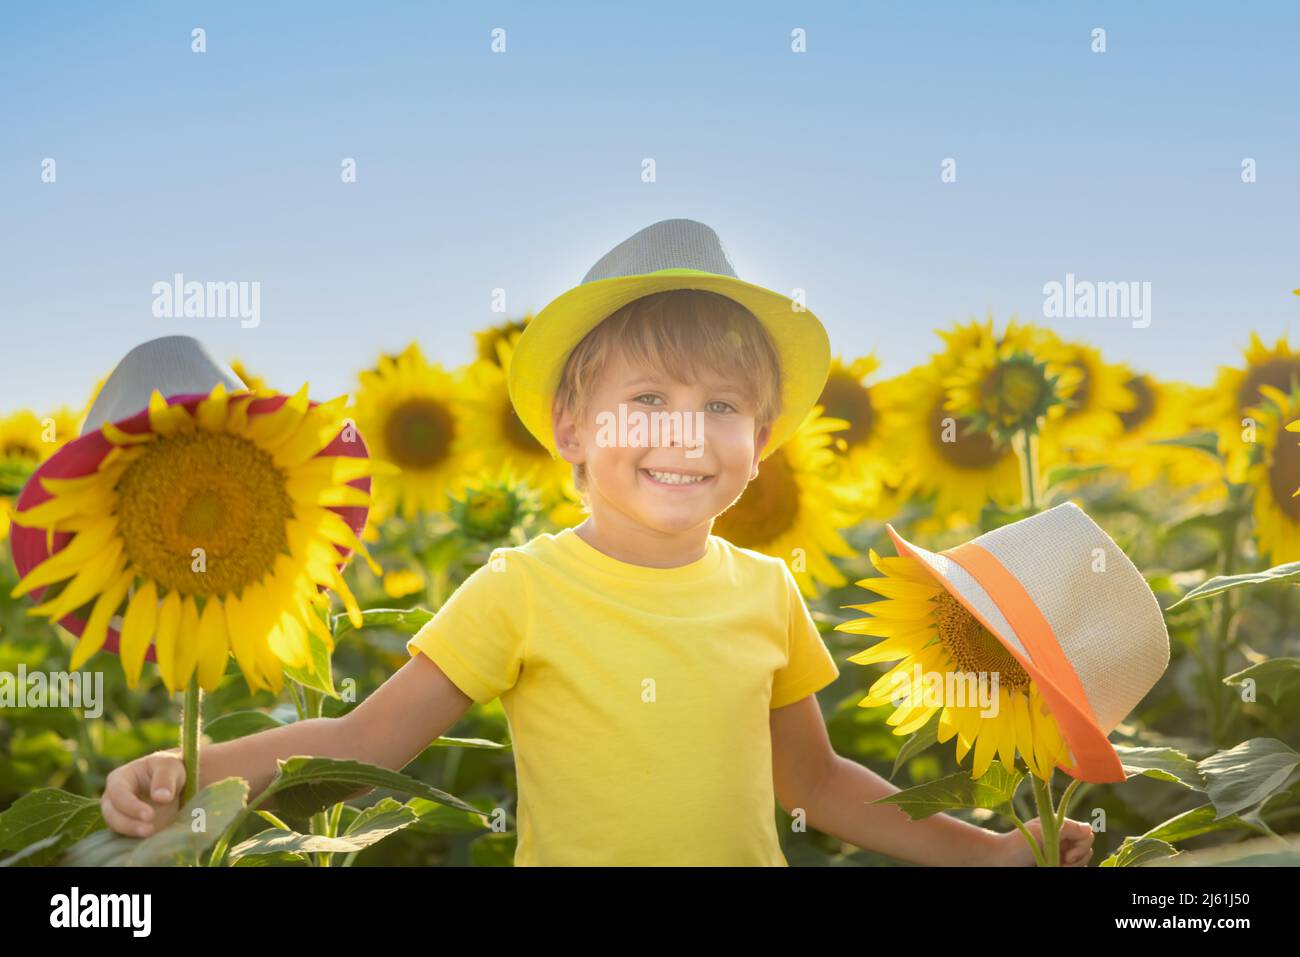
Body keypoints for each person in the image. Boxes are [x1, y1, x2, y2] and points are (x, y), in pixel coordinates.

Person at [102, 219, 1093, 866]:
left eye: (722, 407)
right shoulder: (520, 589)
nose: (684, 433)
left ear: (759, 448)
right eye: (647, 401)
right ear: (573, 433)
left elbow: (817, 784)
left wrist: (993, 854)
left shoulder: (767, 591)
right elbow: (364, 741)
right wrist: (192, 770)